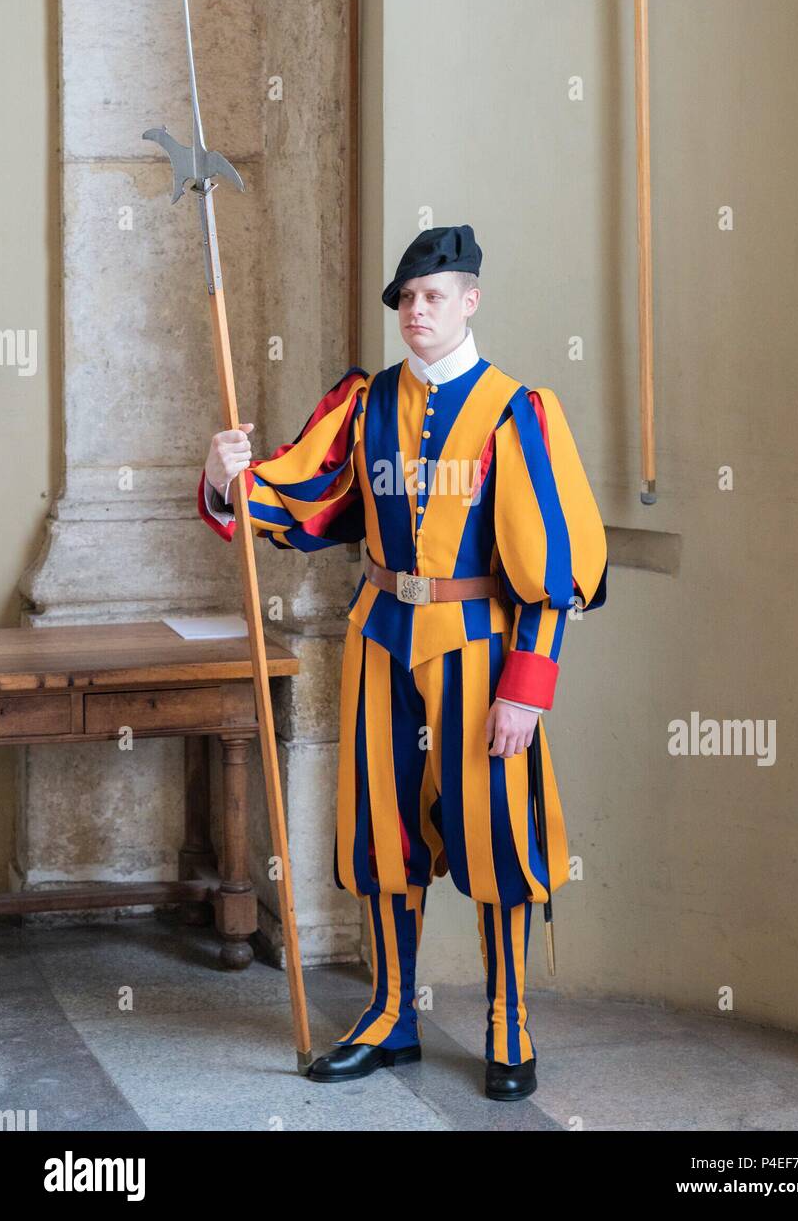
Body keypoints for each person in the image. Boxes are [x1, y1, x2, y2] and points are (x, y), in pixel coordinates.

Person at [198, 224, 608, 1101]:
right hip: (381, 635)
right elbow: (301, 498)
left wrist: (527, 688)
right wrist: (226, 476)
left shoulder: (515, 411)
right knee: (379, 834)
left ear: (470, 300)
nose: (416, 311)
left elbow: (552, 567)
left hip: (479, 647)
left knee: (496, 836)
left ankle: (507, 1023)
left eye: (433, 296)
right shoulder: (366, 404)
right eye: (406, 299)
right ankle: (389, 1016)